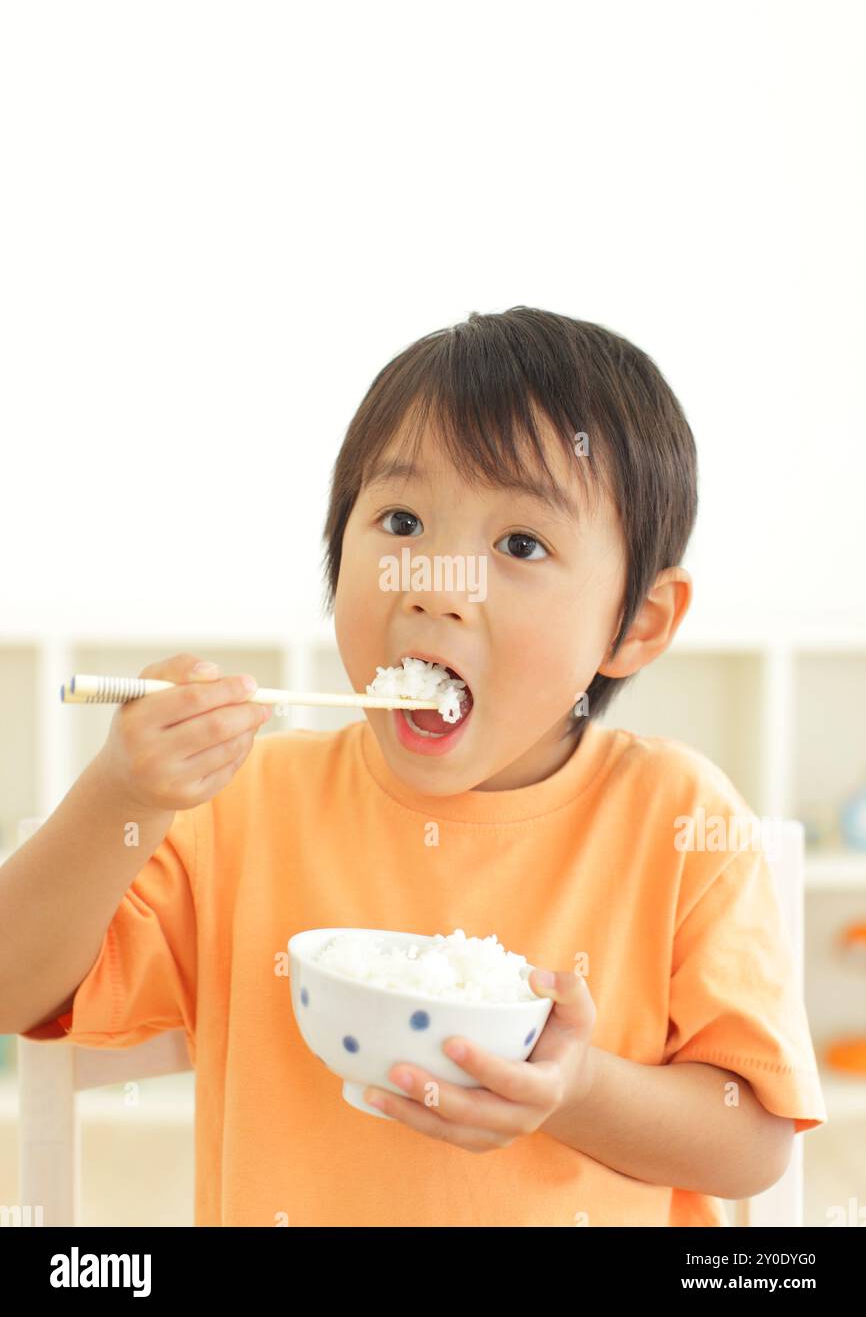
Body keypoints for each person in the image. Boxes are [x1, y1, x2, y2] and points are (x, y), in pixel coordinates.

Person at [3, 307, 827, 1226]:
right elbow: (13, 982)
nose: (435, 586)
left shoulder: (677, 818)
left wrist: (576, 1086)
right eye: (400, 521)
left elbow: (753, 1142)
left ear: (638, 623)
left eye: (520, 545)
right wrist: (123, 792)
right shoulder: (245, 810)